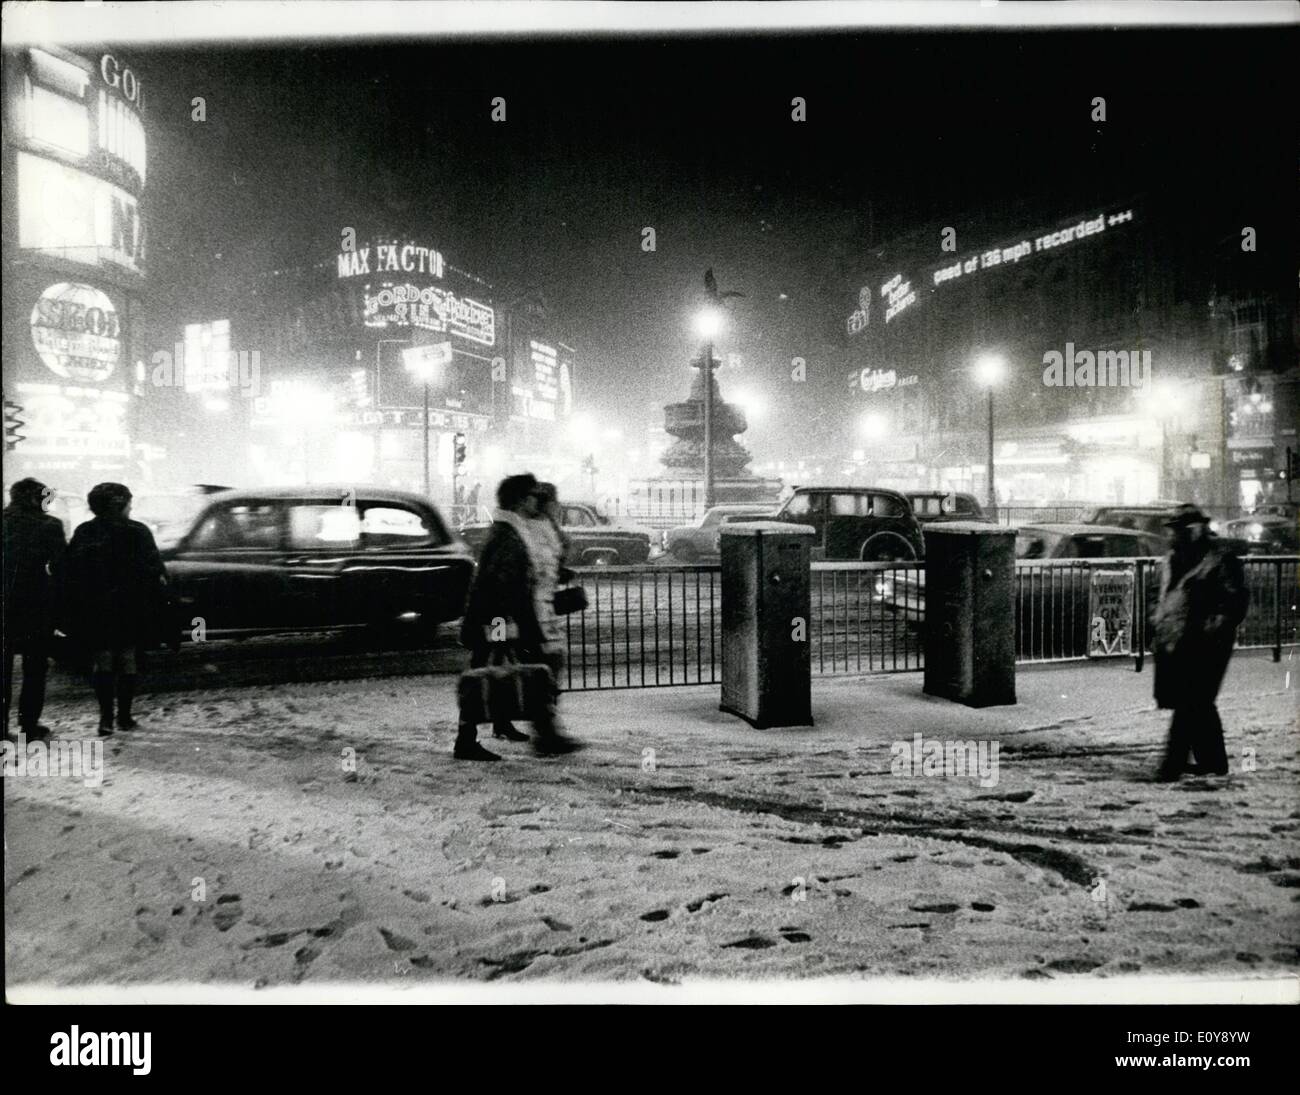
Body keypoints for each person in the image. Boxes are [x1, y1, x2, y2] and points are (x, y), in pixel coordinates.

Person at [455, 474, 580, 760]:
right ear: (521, 500)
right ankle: (467, 739)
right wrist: (520, 623)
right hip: (497, 620)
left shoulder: (511, 530)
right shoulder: (508, 535)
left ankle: (507, 727)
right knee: (487, 669)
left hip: (501, 619)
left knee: (497, 668)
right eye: (533, 496)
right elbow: (503, 586)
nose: (538, 500)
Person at [61, 482, 171, 737]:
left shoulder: (86, 531)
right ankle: (125, 717)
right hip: (130, 605)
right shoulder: (138, 530)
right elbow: (154, 567)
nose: (131, 506)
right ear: (121, 504)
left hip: (96, 607)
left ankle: (105, 720)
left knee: (103, 661)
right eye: (128, 502)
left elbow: (70, 570)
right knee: (128, 660)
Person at [1150, 503, 1249, 781]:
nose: (1172, 535)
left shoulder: (1218, 559)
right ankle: (1213, 762)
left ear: (1194, 530)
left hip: (1207, 643)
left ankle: (1172, 765)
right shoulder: (1175, 559)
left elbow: (1233, 602)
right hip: (1179, 639)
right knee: (1199, 703)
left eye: (1178, 530)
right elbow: (1163, 596)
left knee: (1190, 702)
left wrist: (1213, 627)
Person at [3, 478, 67, 742]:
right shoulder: (50, 525)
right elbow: (61, 566)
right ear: (35, 499)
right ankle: (29, 726)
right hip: (35, 604)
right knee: (35, 666)